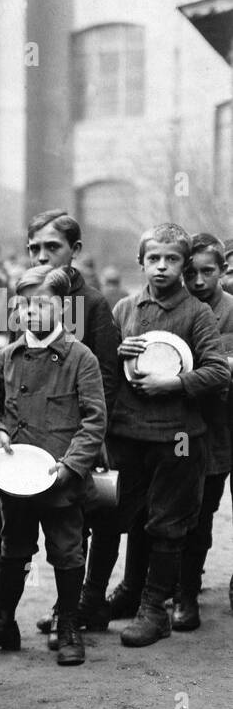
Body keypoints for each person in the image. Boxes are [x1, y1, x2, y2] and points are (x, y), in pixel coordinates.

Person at [0, 265, 106, 665]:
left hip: (61, 477)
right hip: (17, 477)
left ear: (63, 307)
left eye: (41, 303)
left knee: (67, 551)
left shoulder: (81, 358)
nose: (31, 313)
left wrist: (71, 465)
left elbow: (95, 421)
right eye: (23, 305)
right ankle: (2, 624)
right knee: (13, 549)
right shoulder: (7, 356)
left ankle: (68, 625)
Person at [99, 224, 228, 648]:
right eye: (153, 258)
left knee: (168, 523)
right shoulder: (124, 309)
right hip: (128, 433)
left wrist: (174, 385)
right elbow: (103, 369)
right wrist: (119, 354)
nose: (161, 267)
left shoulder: (198, 313)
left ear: (184, 265)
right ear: (141, 262)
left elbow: (217, 370)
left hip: (178, 436)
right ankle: (98, 600)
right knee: (120, 516)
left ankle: (156, 611)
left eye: (172, 259)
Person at [171, 233, 233, 630]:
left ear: (223, 270)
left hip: (229, 420)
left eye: (207, 271)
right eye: (190, 272)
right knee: (197, 511)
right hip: (199, 429)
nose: (197, 280)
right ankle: (186, 592)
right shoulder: (181, 311)